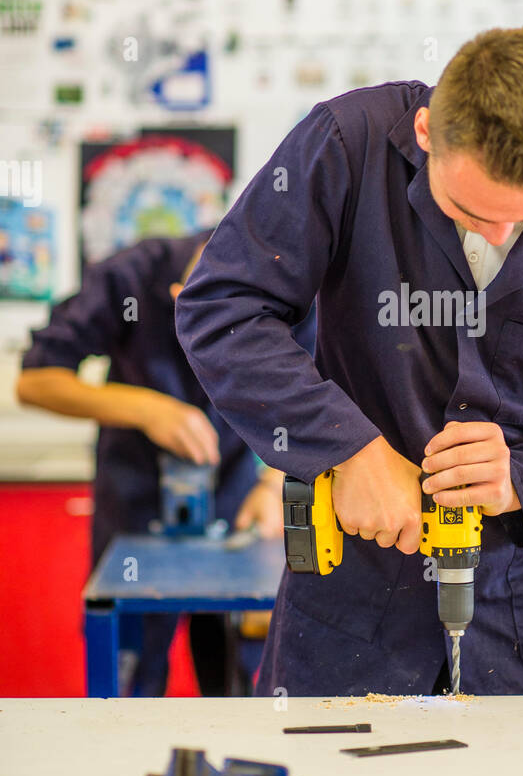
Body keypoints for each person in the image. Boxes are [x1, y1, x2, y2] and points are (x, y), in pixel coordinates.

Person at [175, 27, 523, 696]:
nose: (498, 238)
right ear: (424, 132)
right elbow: (223, 310)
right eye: (470, 211)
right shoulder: (345, 146)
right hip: (352, 602)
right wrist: (348, 449)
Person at [17, 230, 315, 696]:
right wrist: (146, 408)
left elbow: (313, 396)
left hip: (237, 505)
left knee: (238, 677)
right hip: (138, 503)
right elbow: (35, 381)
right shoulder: (126, 278)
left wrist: (272, 481)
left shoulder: (288, 285)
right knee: (132, 672)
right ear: (180, 299)